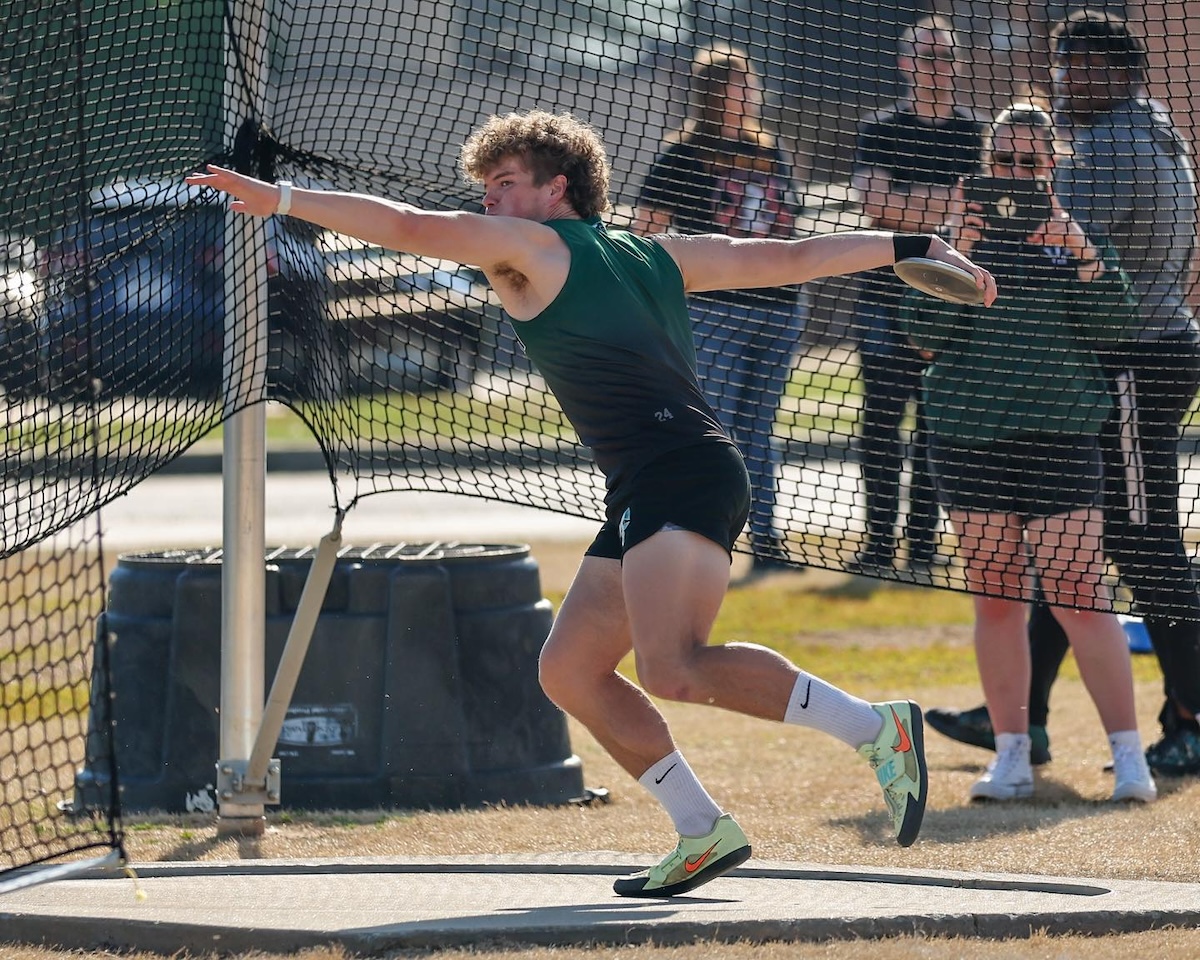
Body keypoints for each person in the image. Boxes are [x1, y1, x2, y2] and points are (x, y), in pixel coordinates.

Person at [187, 110, 996, 896]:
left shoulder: (534, 244)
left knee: (672, 666)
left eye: (503, 183)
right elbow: (789, 256)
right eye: (486, 188)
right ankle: (701, 828)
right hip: (662, 479)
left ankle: (875, 729)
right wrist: (911, 244)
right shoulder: (652, 251)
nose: (489, 202)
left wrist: (282, 200)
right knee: (571, 670)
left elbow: (408, 227)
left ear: (558, 188)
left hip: (678, 470)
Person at [924, 9, 1200, 778]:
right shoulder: (1153, 127)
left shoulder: (1109, 145)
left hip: (1133, 361)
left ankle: (1192, 716)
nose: (1065, 79)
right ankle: (1024, 716)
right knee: (1068, 544)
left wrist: (954, 229)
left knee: (1143, 542)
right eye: (1061, 64)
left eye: (1082, 67)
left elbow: (1035, 243)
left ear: (1123, 73)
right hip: (1138, 352)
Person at [900, 102, 1156, 803]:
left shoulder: (1077, 237)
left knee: (1081, 593)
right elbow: (921, 336)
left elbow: (1116, 328)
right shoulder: (951, 243)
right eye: (1003, 162)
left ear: (1053, 167)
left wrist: (1082, 253)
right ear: (983, 169)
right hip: (967, 435)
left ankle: (1129, 758)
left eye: (1029, 163)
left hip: (1060, 432)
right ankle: (1012, 753)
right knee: (995, 594)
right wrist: (958, 251)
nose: (1015, 174)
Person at [636, 44, 807, 575]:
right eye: (739, 83)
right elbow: (647, 230)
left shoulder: (770, 151)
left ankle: (767, 541)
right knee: (716, 429)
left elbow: (787, 223)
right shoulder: (681, 155)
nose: (750, 92)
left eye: (749, 82)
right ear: (714, 93)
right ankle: (706, 539)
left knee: (759, 430)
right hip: (714, 312)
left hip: (778, 309)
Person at [849, 14, 985, 577]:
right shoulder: (881, 128)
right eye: (927, 57)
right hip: (885, 297)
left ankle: (923, 548)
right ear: (906, 64)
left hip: (951, 304)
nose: (938, 67)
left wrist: (913, 204)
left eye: (946, 57)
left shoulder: (975, 134)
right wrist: (942, 207)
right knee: (880, 426)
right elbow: (876, 207)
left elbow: (975, 208)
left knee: (938, 428)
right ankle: (880, 545)